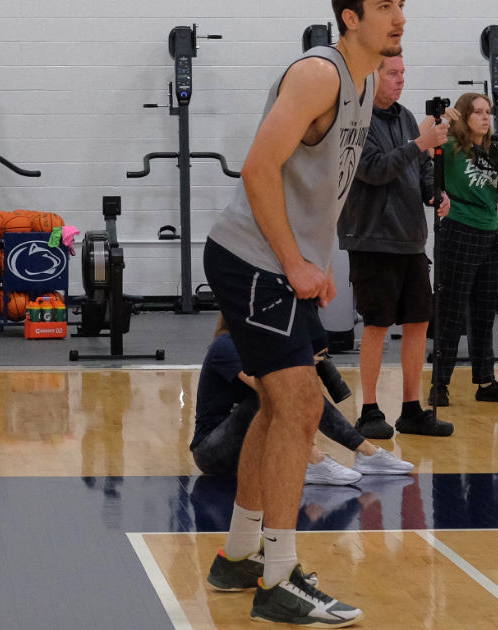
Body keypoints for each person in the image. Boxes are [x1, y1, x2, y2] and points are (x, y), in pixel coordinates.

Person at [201, 0, 405, 625]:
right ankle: (280, 577)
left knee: (280, 405)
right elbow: (258, 167)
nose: (397, 16)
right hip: (254, 261)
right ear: (349, 17)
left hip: (277, 264)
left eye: (402, 5)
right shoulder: (320, 73)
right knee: (299, 405)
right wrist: (294, 261)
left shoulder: (368, 78)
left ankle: (239, 556)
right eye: (382, 6)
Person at [338, 54, 456, 438]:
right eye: (392, 74)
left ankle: (411, 409)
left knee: (419, 321)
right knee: (377, 323)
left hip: (409, 238)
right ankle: (369, 410)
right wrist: (422, 141)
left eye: (403, 73)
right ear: (371, 76)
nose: (400, 80)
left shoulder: (404, 116)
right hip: (373, 237)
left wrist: (433, 193)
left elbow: (420, 165)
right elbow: (374, 170)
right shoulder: (356, 119)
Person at [192, 318, 415, 487]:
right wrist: (299, 364)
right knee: (275, 394)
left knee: (297, 390)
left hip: (249, 451)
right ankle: (322, 459)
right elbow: (269, 386)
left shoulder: (256, 347)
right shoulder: (225, 346)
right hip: (211, 453)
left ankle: (360, 454)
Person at [429, 93, 498, 407]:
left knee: (485, 309)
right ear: (465, 115)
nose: (485, 117)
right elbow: (421, 138)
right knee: (451, 309)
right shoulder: (452, 146)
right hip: (459, 228)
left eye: (488, 112)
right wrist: (442, 118)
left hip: (490, 231)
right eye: (478, 112)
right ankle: (439, 383)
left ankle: (486, 380)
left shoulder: (493, 149)